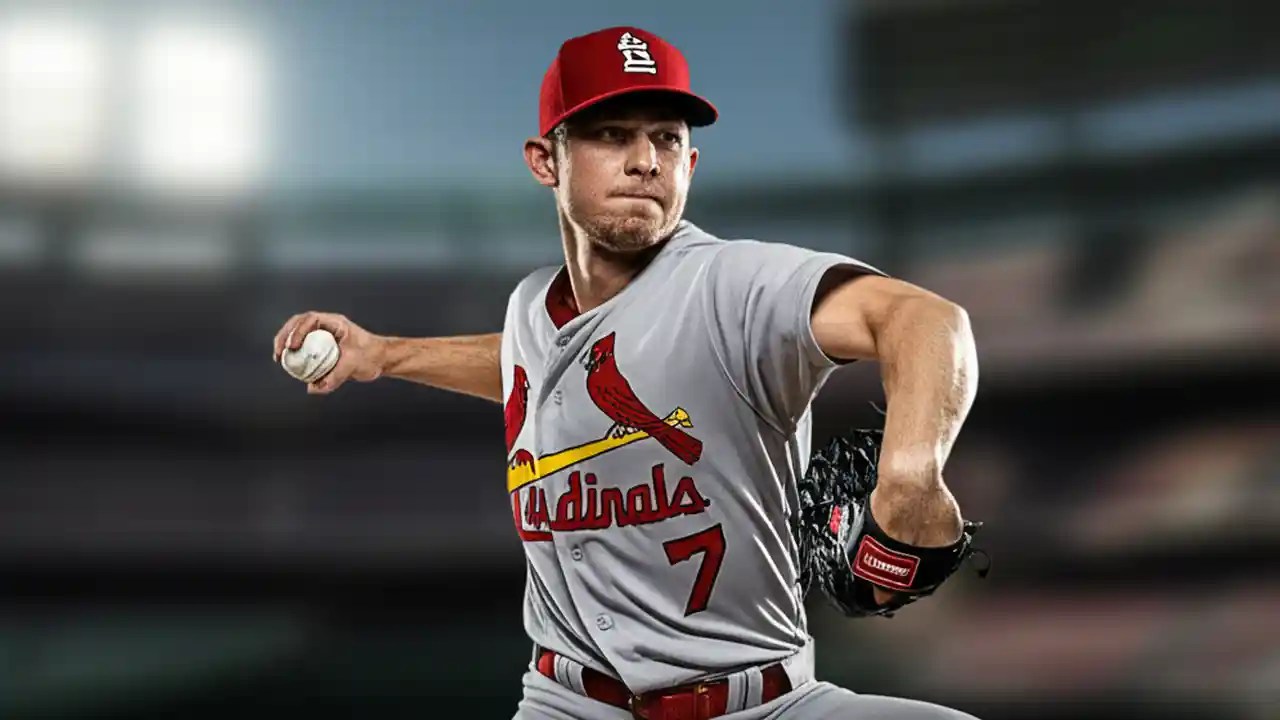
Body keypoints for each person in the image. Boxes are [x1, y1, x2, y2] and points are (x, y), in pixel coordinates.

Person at [272, 26, 980, 720]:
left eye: (666, 138)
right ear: (545, 161)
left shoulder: (731, 286)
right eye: (611, 134)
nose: (645, 159)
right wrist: (383, 354)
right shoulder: (531, 307)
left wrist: (911, 474)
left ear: (691, 166)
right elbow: (531, 357)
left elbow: (925, 321)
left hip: (762, 704)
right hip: (565, 703)